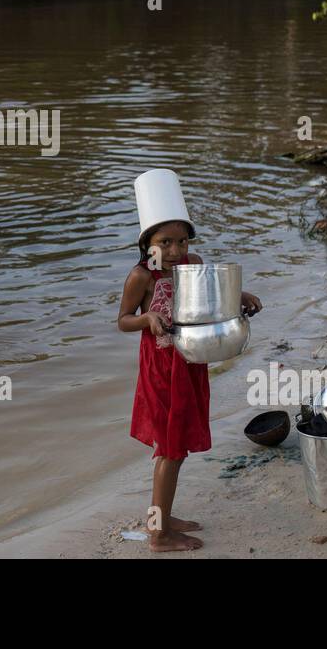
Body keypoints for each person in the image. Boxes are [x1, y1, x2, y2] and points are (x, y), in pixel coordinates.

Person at [117, 184, 262, 552]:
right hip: (161, 369)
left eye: (182, 241)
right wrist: (147, 317)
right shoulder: (141, 276)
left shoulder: (192, 264)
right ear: (147, 242)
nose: (174, 251)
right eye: (164, 242)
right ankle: (158, 534)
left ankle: (161, 517)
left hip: (190, 362)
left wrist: (238, 297)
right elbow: (122, 321)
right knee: (170, 449)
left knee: (176, 448)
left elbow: (210, 297)